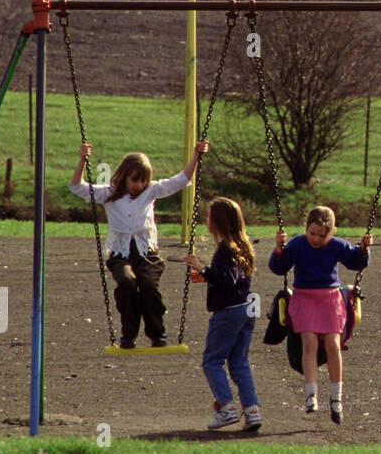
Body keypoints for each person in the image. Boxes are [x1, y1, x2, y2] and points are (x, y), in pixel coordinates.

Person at [69, 141, 208, 349]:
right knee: (127, 284)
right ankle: (128, 335)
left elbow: (181, 180)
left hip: (147, 253)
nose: (138, 185)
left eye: (143, 181)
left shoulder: (151, 191)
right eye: (134, 180)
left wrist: (196, 156)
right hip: (120, 253)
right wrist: (82, 160)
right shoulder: (109, 193)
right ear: (124, 175)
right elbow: (77, 187)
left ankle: (157, 333)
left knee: (148, 286)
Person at [269, 206, 370, 424]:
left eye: (321, 235)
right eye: (312, 233)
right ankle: (311, 394)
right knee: (309, 344)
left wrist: (364, 249)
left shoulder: (336, 245)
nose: (315, 239)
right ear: (306, 228)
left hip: (329, 299)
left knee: (334, 345)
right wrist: (279, 249)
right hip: (304, 297)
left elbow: (355, 262)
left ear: (330, 232)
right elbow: (279, 268)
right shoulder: (297, 244)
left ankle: (336, 399)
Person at [185, 197, 260, 431]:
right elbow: (233, 278)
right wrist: (208, 276)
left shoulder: (225, 248)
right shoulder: (243, 245)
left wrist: (203, 268)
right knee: (238, 363)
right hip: (245, 310)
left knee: (212, 361)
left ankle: (227, 408)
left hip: (227, 313)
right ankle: (252, 410)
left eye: (208, 217)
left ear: (216, 222)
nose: (206, 220)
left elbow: (227, 279)